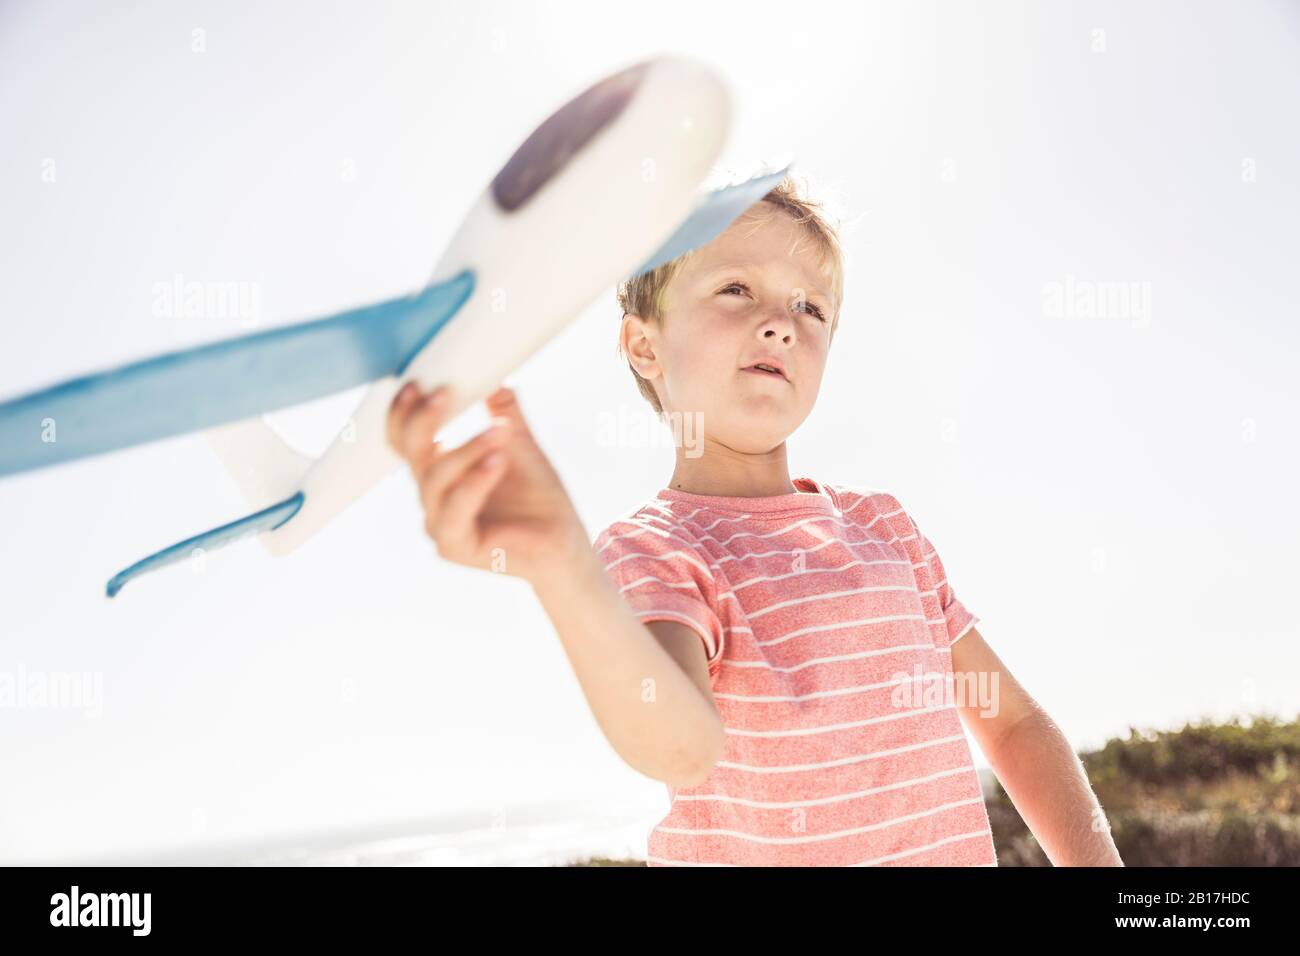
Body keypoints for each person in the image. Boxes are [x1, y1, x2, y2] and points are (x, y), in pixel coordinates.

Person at [385, 174, 1123, 867]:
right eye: (737, 289)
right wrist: (561, 567)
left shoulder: (886, 528)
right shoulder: (659, 550)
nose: (780, 324)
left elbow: (1012, 724)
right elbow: (679, 746)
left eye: (811, 307)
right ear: (645, 346)